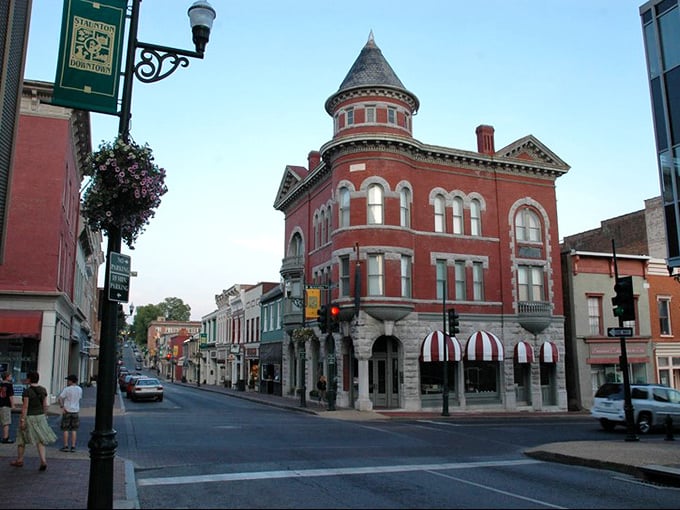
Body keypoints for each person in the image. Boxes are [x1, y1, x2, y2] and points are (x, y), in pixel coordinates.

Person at [10, 371, 57, 471]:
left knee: (21, 438)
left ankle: (20, 460)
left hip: (30, 417)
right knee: (40, 440)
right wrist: (45, 414)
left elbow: (25, 407)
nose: (26, 379)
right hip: (40, 416)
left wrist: (22, 419)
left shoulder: (27, 391)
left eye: (27, 378)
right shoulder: (43, 389)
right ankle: (43, 460)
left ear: (30, 379)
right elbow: (45, 404)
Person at [57, 374, 82, 452]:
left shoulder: (67, 389)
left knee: (66, 429)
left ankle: (66, 446)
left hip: (67, 410)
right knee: (74, 429)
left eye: (68, 380)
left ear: (71, 381)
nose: (68, 381)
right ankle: (73, 446)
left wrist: (62, 406)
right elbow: (79, 398)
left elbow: (60, 398)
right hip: (75, 411)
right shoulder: (79, 389)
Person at [0, 372, 14, 443]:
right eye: (10, 376)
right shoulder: (9, 385)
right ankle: (5, 438)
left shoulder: (0, 384)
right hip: (6, 404)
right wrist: (13, 405)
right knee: (6, 422)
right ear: (7, 377)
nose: (11, 377)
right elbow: (10, 396)